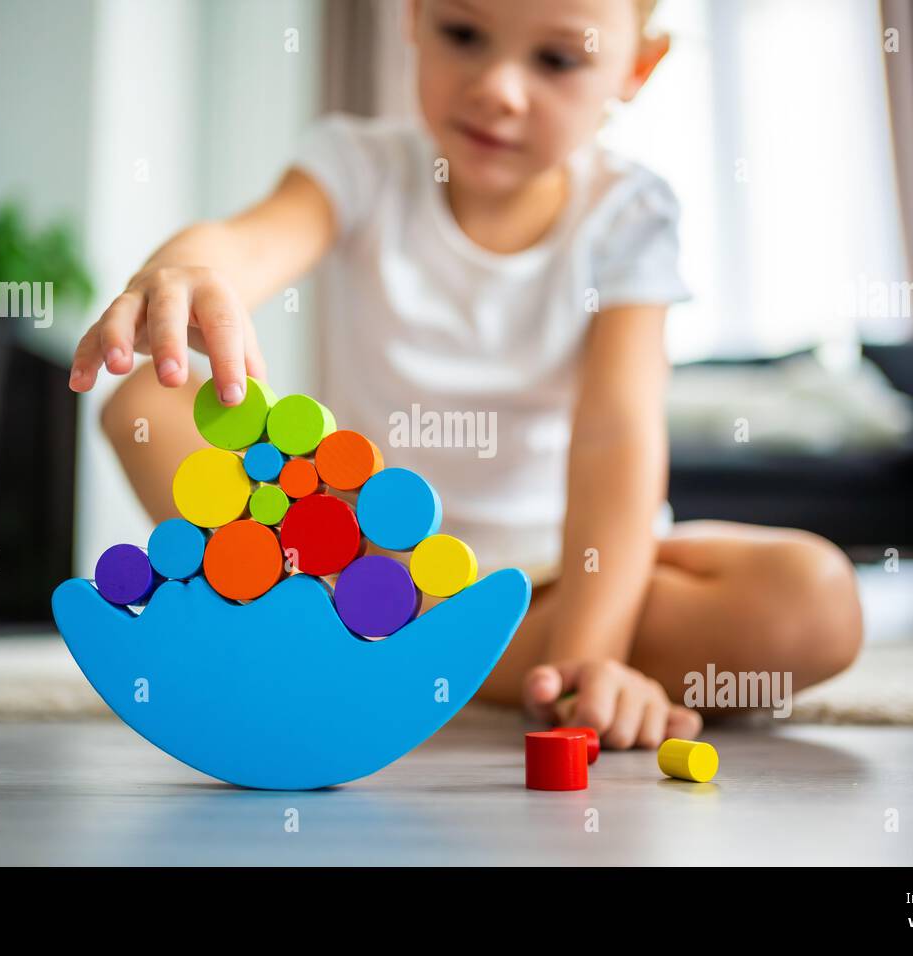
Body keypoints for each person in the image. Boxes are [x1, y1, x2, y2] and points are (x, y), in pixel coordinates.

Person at [69, 0, 863, 750]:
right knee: (145, 400)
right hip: (358, 559)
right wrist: (181, 274)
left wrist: (587, 662)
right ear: (415, 16)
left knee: (814, 600)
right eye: (462, 34)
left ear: (637, 70)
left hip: (559, 583)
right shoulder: (357, 164)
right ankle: (404, 638)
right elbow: (252, 241)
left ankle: (414, 654)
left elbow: (616, 434)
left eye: (556, 58)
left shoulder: (628, 213)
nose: (497, 90)